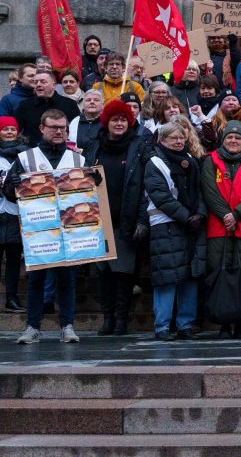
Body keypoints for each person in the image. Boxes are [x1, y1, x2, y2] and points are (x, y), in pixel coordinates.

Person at [4, 110, 85, 344]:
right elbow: (8, 194)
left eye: (62, 127)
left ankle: (67, 326)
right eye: (53, 127)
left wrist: (94, 182)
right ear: (42, 128)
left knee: (67, 279)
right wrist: (12, 184)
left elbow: (89, 193)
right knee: (36, 279)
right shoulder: (25, 157)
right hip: (38, 228)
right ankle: (33, 327)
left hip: (68, 228)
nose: (58, 131)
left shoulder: (78, 159)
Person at [82, 100, 151, 336]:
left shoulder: (139, 146)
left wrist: (141, 219)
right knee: (104, 273)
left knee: (123, 273)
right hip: (99, 220)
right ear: (106, 122)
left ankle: (121, 320)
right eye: (115, 119)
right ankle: (108, 318)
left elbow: (145, 186)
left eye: (123, 119)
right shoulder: (94, 147)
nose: (119, 123)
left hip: (125, 220)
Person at [144, 121, 206, 341]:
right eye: (174, 138)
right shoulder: (155, 162)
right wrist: (186, 217)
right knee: (167, 278)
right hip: (166, 225)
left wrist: (200, 213)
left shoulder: (190, 160)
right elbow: (160, 195)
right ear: (162, 140)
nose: (179, 141)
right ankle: (162, 326)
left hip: (192, 224)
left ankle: (185, 324)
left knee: (190, 276)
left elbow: (200, 190)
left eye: (181, 137)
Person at [201, 120, 241, 339]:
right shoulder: (211, 161)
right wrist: (226, 216)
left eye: (238, 138)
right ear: (223, 140)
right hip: (219, 228)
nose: (234, 140)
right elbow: (210, 191)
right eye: (230, 137)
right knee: (220, 272)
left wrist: (236, 215)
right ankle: (224, 325)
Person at [0, 116, 27, 315]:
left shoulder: (27, 155)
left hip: (17, 211)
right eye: (5, 129)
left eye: (13, 129)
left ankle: (11, 298)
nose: (9, 132)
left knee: (14, 257)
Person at [14, 70, 81, 144]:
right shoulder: (25, 106)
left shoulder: (69, 104)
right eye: (36, 82)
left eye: (43, 82)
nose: (38, 85)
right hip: (32, 149)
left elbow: (78, 130)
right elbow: (14, 130)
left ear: (53, 85)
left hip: (61, 149)